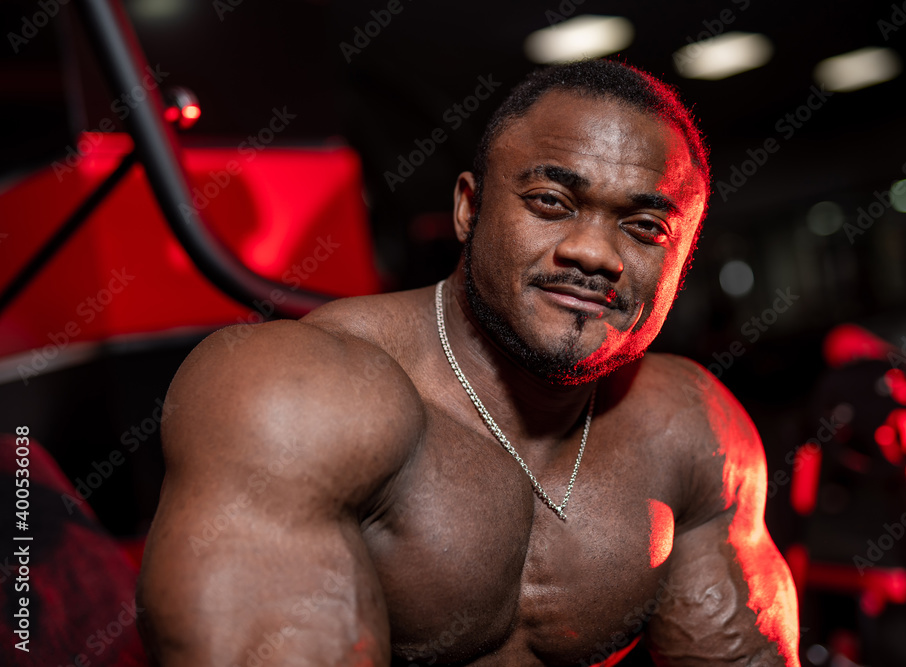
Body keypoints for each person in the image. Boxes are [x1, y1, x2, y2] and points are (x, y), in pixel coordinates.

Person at [137, 59, 800, 666]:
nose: (595, 253)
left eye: (645, 227)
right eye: (551, 202)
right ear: (468, 208)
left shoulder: (692, 428)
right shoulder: (294, 392)